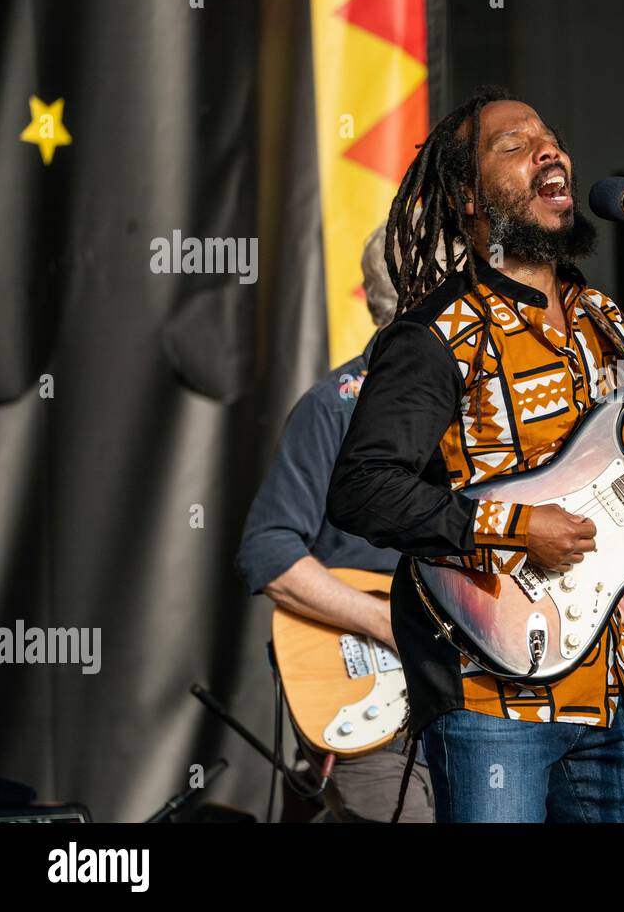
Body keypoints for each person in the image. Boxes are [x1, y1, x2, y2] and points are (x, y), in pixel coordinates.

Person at [325, 86, 624, 823]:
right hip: (489, 691)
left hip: (612, 685)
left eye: (552, 138)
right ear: (468, 200)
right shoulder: (434, 335)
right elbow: (362, 489)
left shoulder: (603, 320)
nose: (550, 150)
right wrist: (512, 527)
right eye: (515, 145)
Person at [235, 225, 435, 822]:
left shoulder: (483, 409)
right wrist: (386, 622)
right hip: (373, 704)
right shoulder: (335, 407)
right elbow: (267, 551)